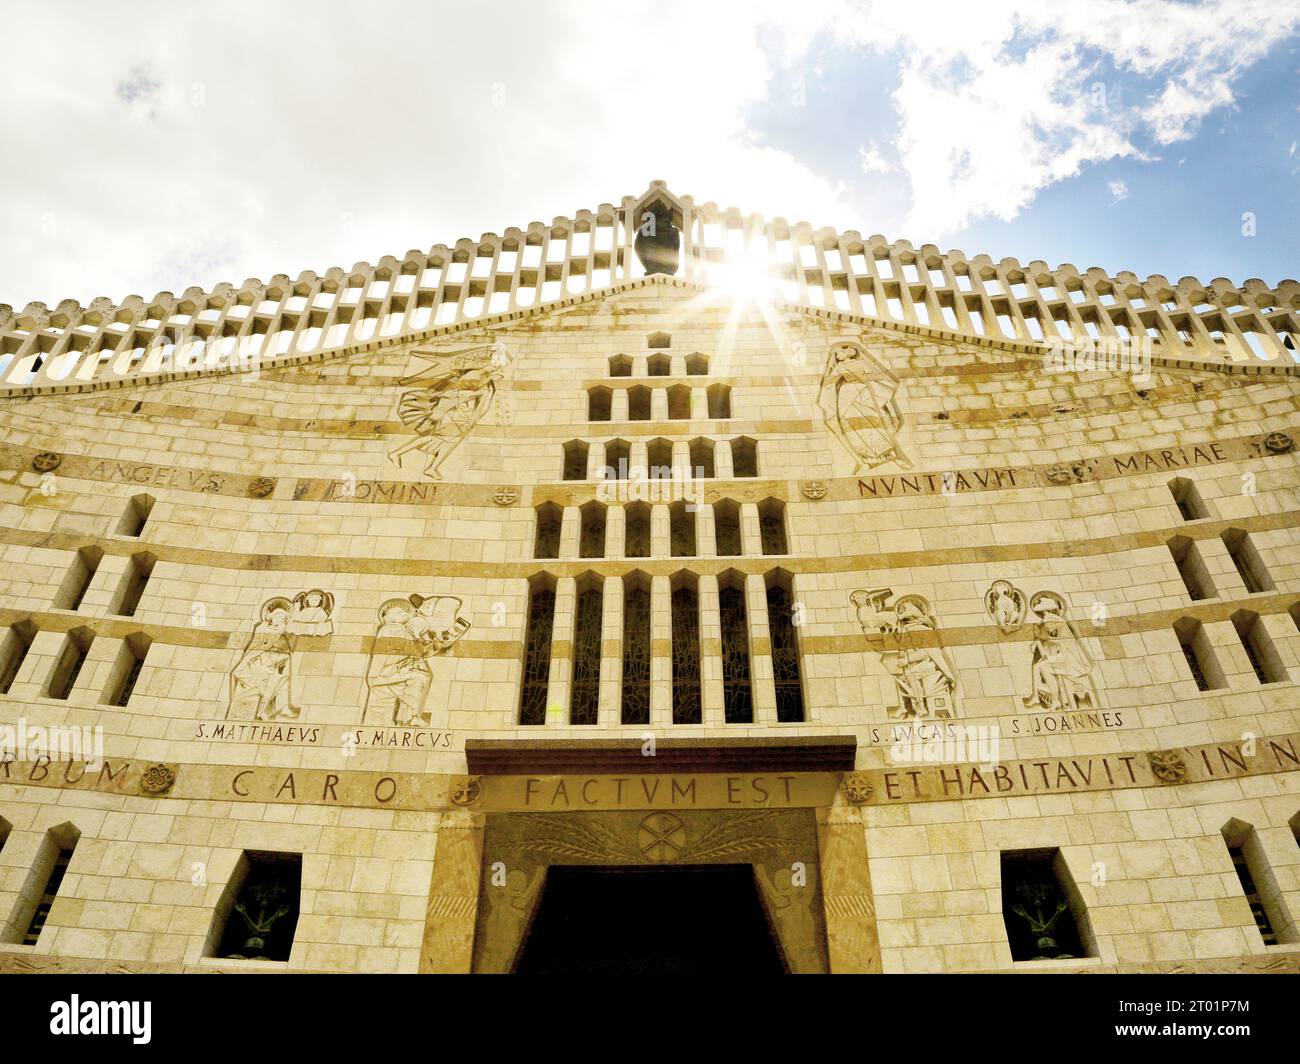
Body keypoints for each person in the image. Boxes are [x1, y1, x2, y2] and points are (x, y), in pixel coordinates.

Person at [816, 340, 908, 472]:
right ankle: (866, 458)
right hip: (847, 395)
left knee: (872, 420)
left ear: (847, 353)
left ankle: (885, 454)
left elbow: (876, 376)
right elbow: (828, 383)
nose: (836, 357)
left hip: (862, 393)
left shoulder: (859, 364)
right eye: (835, 355)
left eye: (837, 354)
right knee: (852, 422)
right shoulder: (840, 367)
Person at [1023, 592, 1099, 711]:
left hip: (1069, 657)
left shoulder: (1054, 621)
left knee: (1042, 666)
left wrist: (1039, 640)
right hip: (1060, 655)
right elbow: (1049, 640)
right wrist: (1039, 641)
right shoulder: (1049, 621)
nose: (1043, 616)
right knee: (1038, 666)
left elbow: (1057, 640)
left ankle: (1054, 700)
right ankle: (1038, 695)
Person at [229, 597, 297, 720]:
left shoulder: (285, 631)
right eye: (277, 616)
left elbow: (287, 649)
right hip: (258, 660)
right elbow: (256, 646)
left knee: (280, 680)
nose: (279, 619)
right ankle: (261, 710)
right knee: (259, 680)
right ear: (270, 617)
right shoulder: (262, 628)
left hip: (276, 661)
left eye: (282, 617)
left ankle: (270, 709)